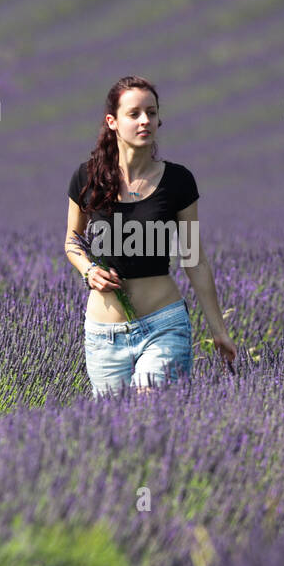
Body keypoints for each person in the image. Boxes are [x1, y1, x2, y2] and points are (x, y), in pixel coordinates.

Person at [65, 76, 238, 397]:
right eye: (134, 114)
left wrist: (219, 330)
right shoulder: (86, 178)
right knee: (115, 424)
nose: (145, 120)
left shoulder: (178, 181)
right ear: (112, 121)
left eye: (152, 112)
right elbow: (72, 242)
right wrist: (89, 271)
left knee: (151, 412)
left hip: (164, 326)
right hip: (104, 336)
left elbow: (194, 260)